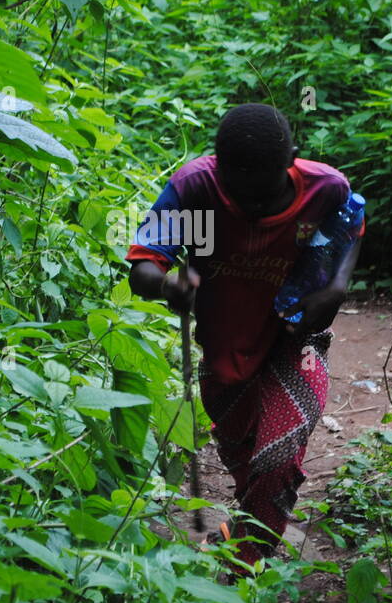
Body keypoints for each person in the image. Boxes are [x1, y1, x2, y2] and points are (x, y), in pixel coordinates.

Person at [126, 103, 365, 573]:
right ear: (219, 167)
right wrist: (167, 284)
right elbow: (144, 266)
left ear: (290, 161)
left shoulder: (323, 189)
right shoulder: (198, 191)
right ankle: (247, 522)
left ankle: (241, 569)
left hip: (295, 337)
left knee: (277, 456)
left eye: (266, 192)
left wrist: (336, 286)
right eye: (241, 190)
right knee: (241, 452)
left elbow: (350, 223)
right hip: (225, 343)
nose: (253, 206)